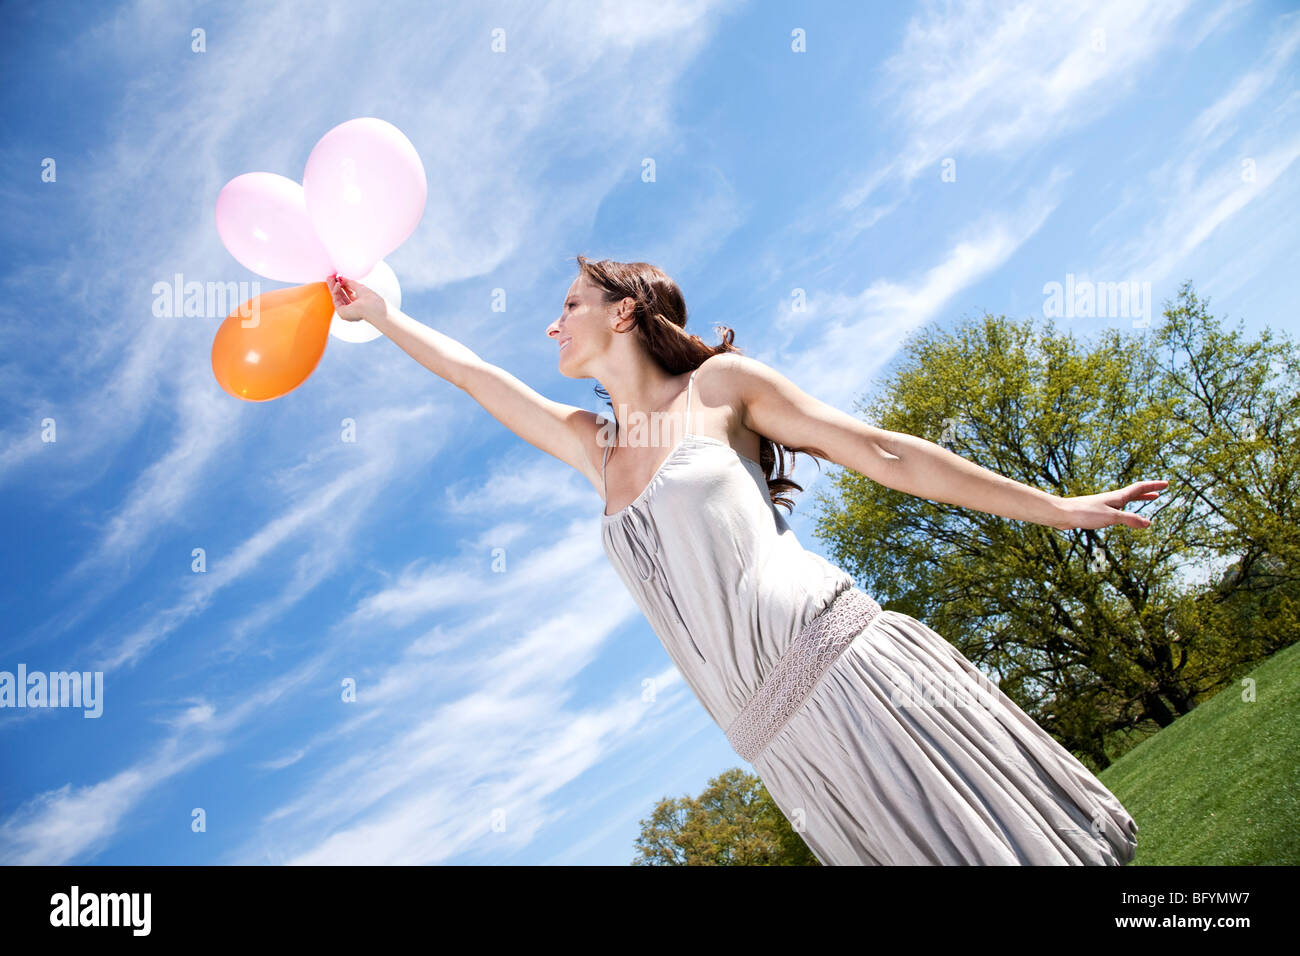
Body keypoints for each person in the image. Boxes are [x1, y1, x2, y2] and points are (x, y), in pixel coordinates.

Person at [326, 257, 1163, 865]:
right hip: (779, 742)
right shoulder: (596, 450)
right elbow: (476, 378)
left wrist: (1059, 509)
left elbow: (883, 452)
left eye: (571, 303)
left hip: (853, 675)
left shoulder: (720, 389)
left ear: (624, 313)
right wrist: (381, 315)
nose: (553, 322)